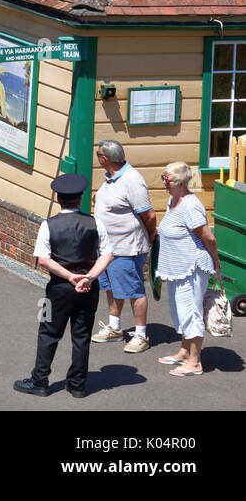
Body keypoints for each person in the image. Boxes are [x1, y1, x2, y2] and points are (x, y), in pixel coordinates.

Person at [14, 173, 115, 398]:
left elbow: (43, 259)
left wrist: (70, 277)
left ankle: (40, 381)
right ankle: (77, 385)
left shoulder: (48, 225)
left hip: (58, 289)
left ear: (59, 199)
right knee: (82, 335)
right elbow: (108, 255)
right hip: (89, 289)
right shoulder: (95, 223)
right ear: (80, 199)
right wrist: (88, 277)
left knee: (47, 332)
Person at [154, 162, 223, 377]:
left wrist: (216, 261)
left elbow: (208, 237)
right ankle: (184, 351)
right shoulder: (172, 200)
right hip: (176, 265)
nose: (165, 182)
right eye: (163, 177)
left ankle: (195, 362)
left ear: (182, 182)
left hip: (191, 266)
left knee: (191, 312)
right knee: (179, 310)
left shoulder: (191, 205)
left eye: (169, 179)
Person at [90, 140, 158, 353]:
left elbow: (149, 215)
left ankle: (140, 334)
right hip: (108, 248)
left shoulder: (132, 181)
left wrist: (149, 236)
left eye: (98, 153)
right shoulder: (111, 177)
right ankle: (115, 328)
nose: (97, 156)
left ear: (105, 159)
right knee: (111, 288)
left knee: (133, 290)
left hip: (127, 248)